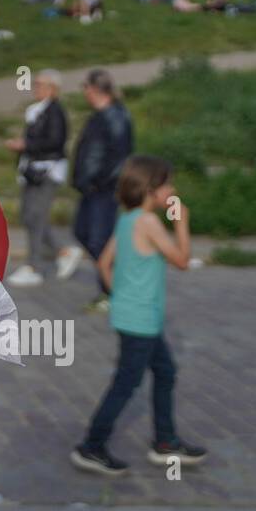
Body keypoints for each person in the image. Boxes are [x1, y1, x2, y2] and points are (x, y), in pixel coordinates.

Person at [71, 155, 206, 475]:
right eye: (168, 184)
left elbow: (104, 264)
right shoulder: (149, 222)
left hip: (131, 316)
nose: (172, 189)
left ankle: (165, 441)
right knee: (126, 383)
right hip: (141, 320)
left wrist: (120, 297)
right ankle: (92, 445)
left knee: (165, 371)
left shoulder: (127, 218)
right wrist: (182, 221)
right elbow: (183, 261)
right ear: (152, 189)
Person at [4, 70, 82, 287]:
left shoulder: (55, 111)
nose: (34, 88)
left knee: (37, 215)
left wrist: (26, 145)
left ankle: (34, 265)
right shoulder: (38, 111)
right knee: (29, 215)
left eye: (39, 84)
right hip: (32, 169)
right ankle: (62, 251)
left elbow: (56, 141)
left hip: (47, 170)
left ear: (52, 88)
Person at [71, 69, 134, 312]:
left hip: (103, 190)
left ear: (95, 89)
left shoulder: (116, 116)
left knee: (99, 239)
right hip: (90, 188)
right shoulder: (98, 116)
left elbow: (121, 159)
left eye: (85, 87)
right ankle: (112, 283)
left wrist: (100, 181)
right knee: (82, 232)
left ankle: (112, 290)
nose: (84, 92)